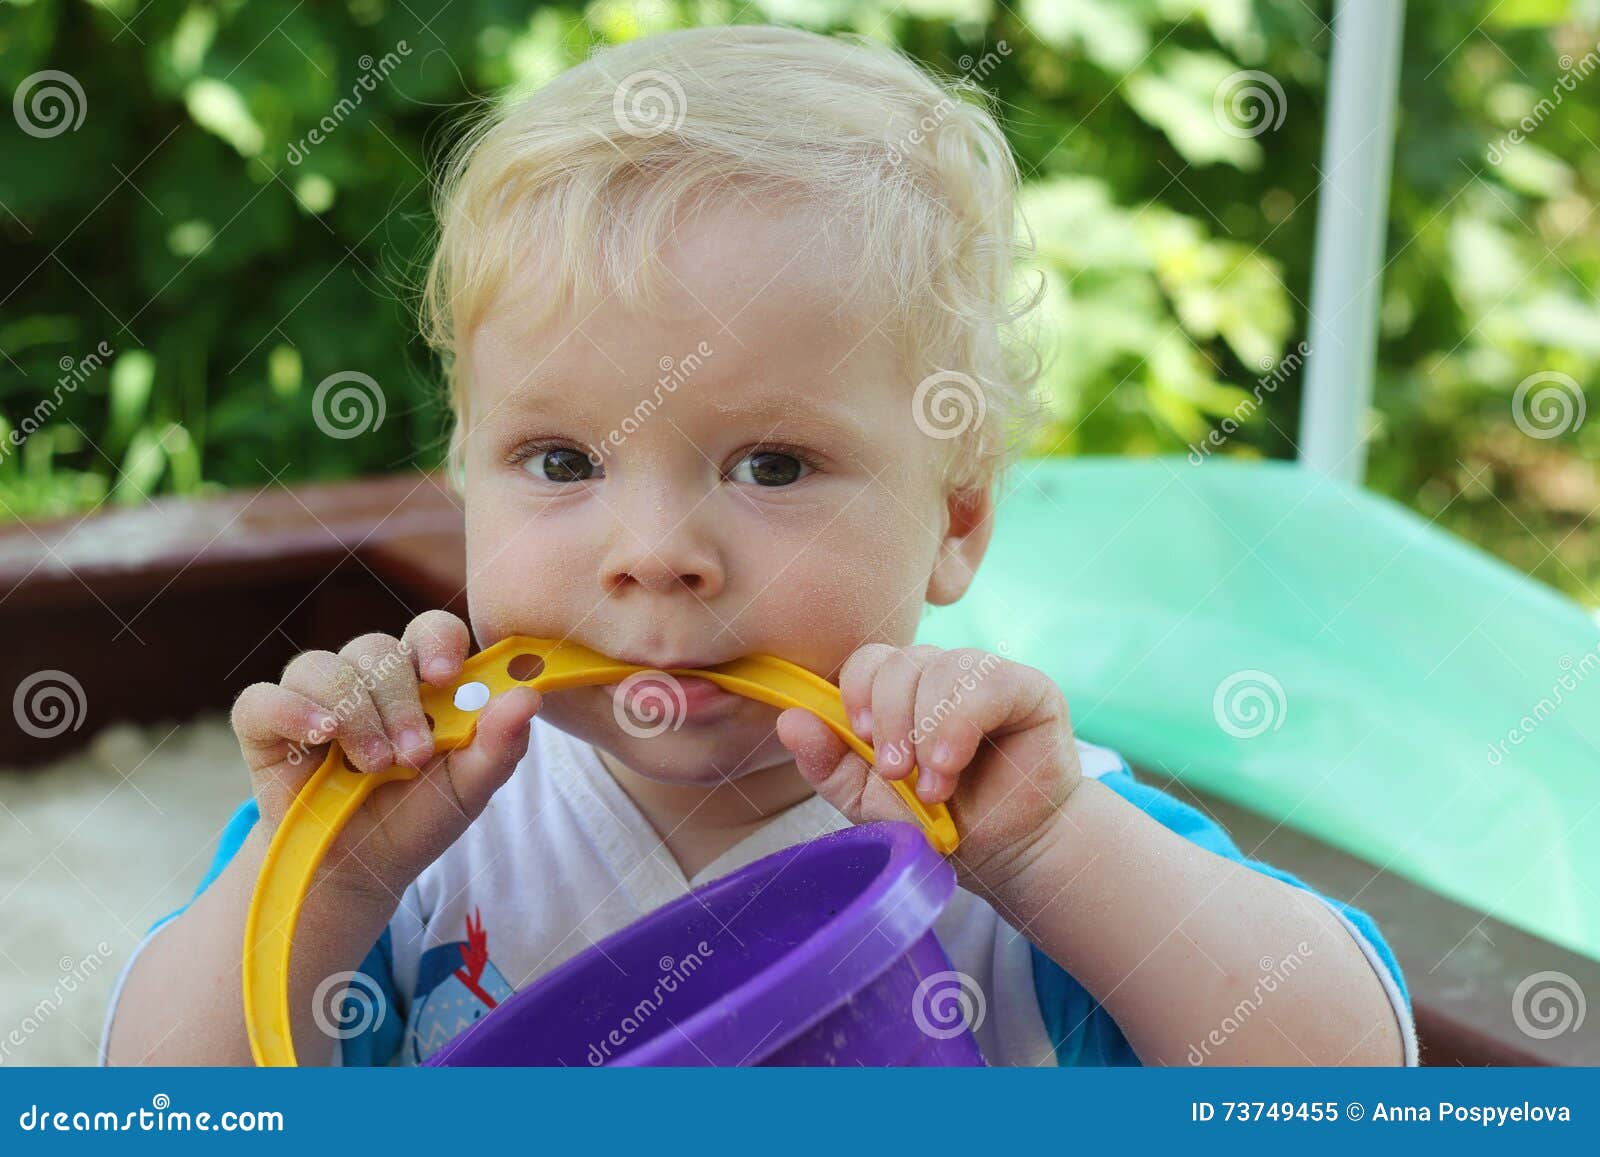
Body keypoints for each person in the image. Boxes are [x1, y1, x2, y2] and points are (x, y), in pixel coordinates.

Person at [103, 24, 1414, 1067]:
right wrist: (324, 877)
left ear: (955, 518)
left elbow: (1353, 1086)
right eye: (563, 463)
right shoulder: (414, 842)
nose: (657, 554)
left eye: (774, 465)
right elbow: (161, 1105)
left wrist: (1056, 847)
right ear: (467, 481)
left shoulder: (1011, 823)